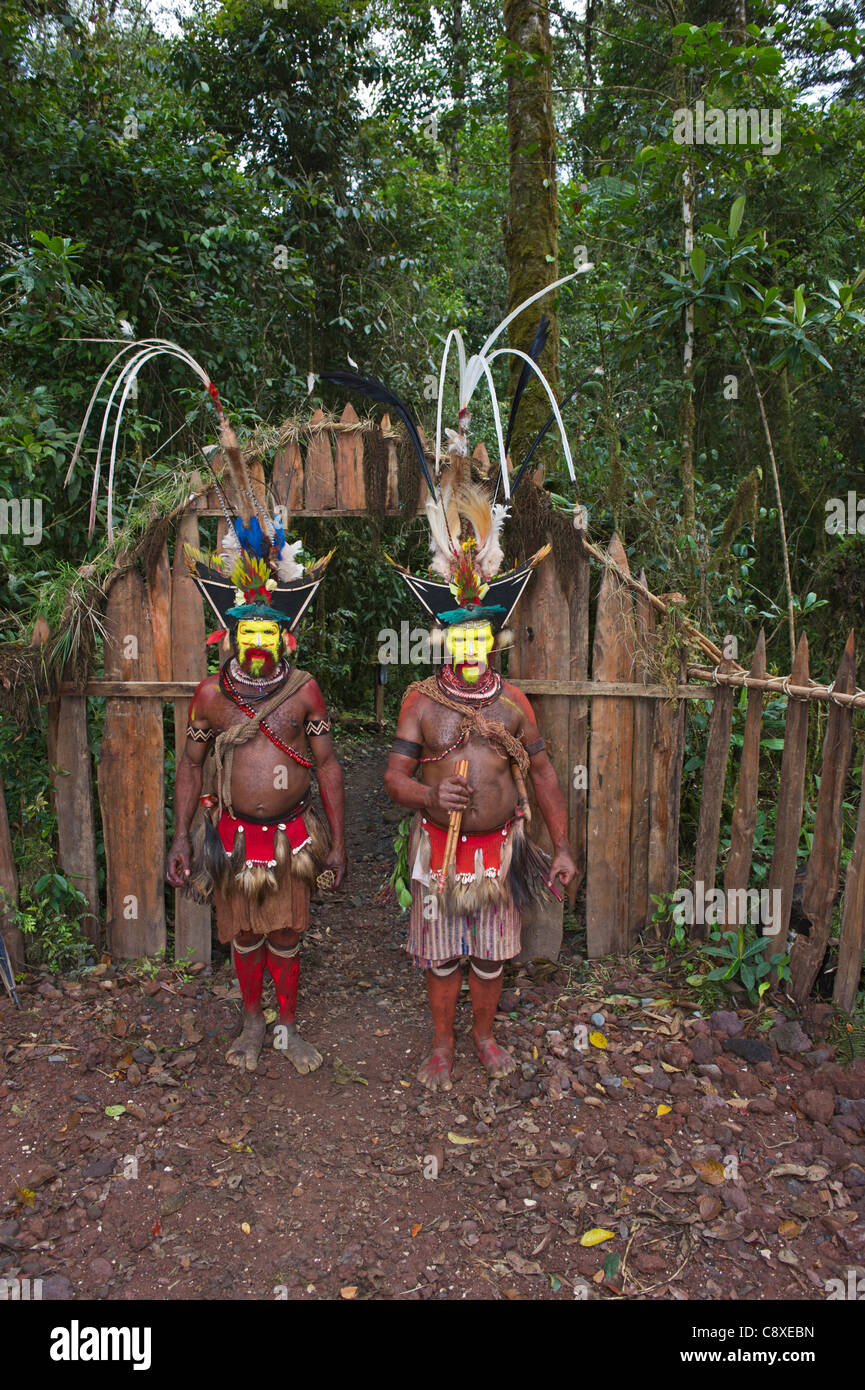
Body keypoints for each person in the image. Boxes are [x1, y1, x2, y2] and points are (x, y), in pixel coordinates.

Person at [324, 275, 581, 1089]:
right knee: (441, 958)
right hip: (438, 853)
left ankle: (484, 1039)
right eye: (459, 639)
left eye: (482, 639)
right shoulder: (421, 702)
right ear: (444, 637)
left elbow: (538, 769)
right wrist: (428, 798)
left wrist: (561, 844)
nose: (470, 651)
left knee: (493, 955)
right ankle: (439, 1046)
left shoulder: (512, 702)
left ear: (493, 638)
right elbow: (394, 775)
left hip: (498, 855)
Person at [166, 421, 345, 1074]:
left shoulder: (305, 693)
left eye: (269, 628)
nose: (259, 639)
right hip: (232, 836)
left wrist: (341, 842)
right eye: (248, 630)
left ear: (284, 633)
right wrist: (183, 838)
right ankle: (249, 1025)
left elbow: (326, 765)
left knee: (288, 933)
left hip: (292, 838)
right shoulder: (209, 698)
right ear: (231, 636)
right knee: (242, 933)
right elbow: (189, 766)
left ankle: (287, 1029)